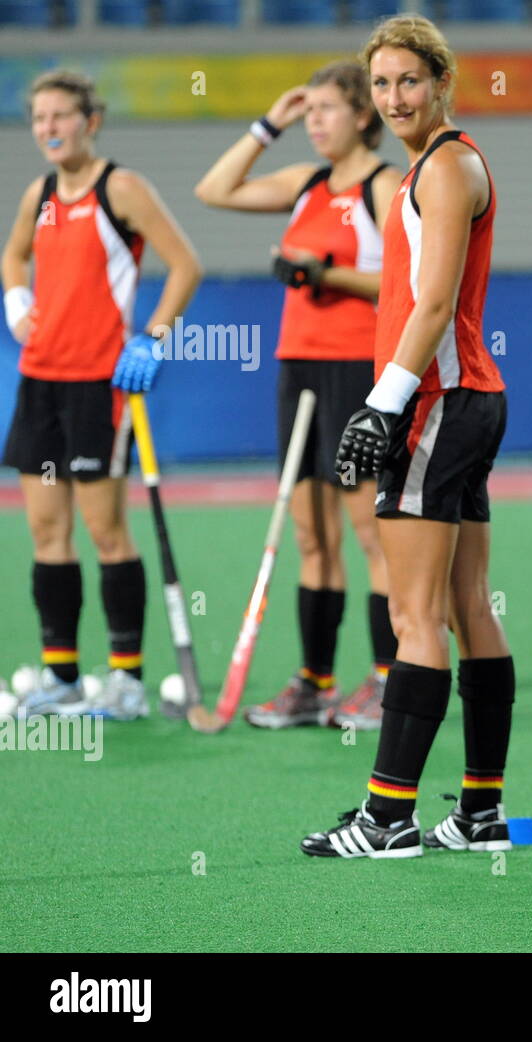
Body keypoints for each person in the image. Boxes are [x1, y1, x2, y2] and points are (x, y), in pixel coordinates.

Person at [301, 14, 514, 858]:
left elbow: (433, 303)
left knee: (413, 612)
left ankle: (387, 819)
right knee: (465, 607)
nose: (394, 98)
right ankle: (480, 812)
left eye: (407, 82)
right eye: (381, 84)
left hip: (435, 402)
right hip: (456, 401)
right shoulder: (435, 166)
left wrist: (383, 403)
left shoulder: (449, 167)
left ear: (440, 81)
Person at [195, 62, 402, 730]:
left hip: (356, 371)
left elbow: (410, 286)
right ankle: (314, 683)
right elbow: (213, 189)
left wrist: (328, 274)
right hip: (299, 371)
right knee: (312, 533)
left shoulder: (385, 184)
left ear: (364, 115)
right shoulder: (306, 183)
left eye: (326, 109)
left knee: (371, 534)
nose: (314, 121)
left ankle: (386, 678)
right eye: (306, 111)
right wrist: (268, 124)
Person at [2, 69, 202, 720]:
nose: (48, 129)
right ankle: (61, 677)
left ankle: (127, 683)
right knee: (45, 530)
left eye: (60, 116)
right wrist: (16, 301)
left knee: (105, 531)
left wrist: (154, 337)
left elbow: (185, 264)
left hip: (97, 383)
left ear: (91, 121)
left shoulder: (122, 188)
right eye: (38, 119)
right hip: (41, 379)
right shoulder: (39, 194)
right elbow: (15, 257)